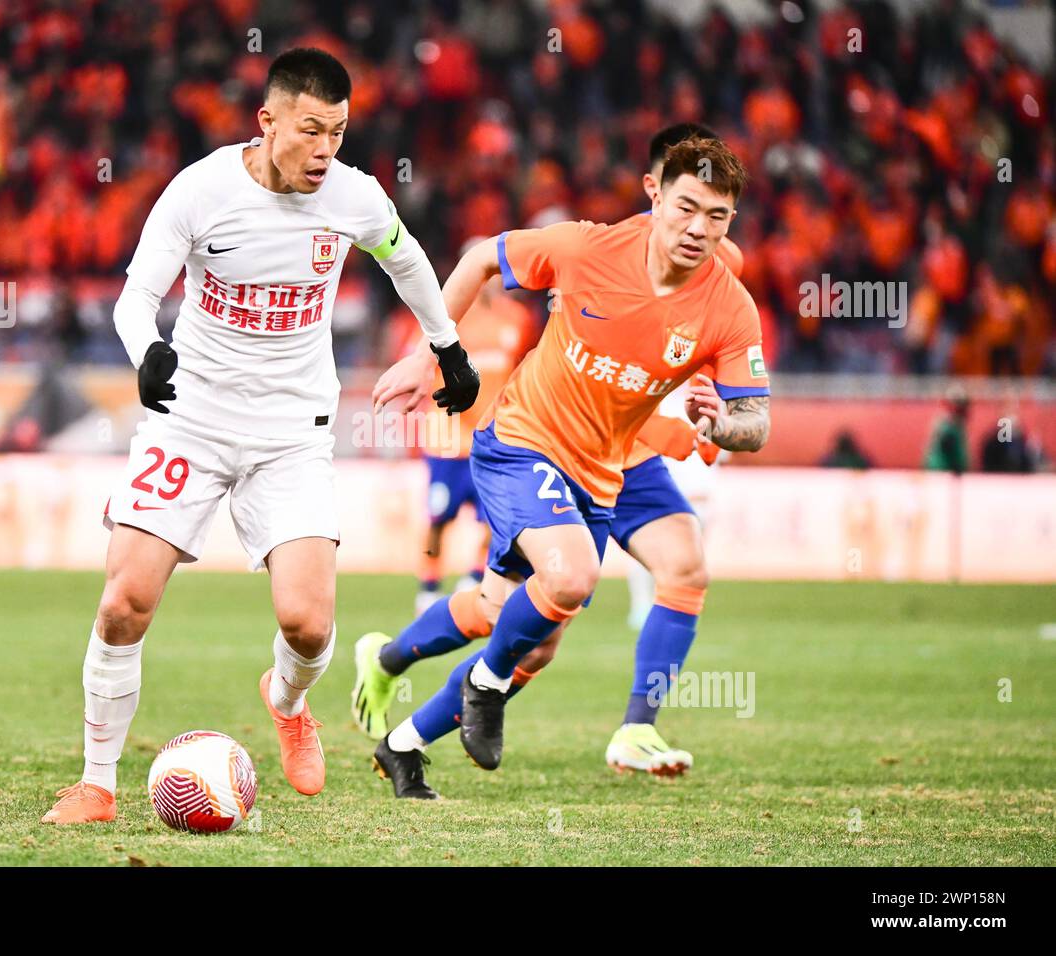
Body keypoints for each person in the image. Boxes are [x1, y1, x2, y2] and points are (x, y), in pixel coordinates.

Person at [41, 48, 479, 824]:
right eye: (311, 131)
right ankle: (97, 784)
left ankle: (285, 701)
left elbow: (404, 260)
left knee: (308, 625)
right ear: (267, 120)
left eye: (338, 134)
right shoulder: (200, 191)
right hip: (192, 420)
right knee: (124, 603)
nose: (325, 151)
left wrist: (444, 346)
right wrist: (147, 355)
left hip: (292, 432)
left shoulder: (354, 196)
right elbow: (135, 298)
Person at [366, 136, 771, 797]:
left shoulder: (728, 301)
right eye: (687, 208)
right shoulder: (586, 249)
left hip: (609, 470)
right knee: (572, 576)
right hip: (521, 444)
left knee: (529, 625)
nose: (699, 229)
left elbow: (756, 419)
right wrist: (432, 354)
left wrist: (722, 422)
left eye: (718, 217)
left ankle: (403, 737)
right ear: (653, 192)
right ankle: (485, 685)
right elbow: (480, 259)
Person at [409, 257, 539, 618]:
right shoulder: (442, 320)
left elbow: (524, 368)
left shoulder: (518, 319)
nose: (488, 281)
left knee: (490, 521)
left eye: (494, 274)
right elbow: (417, 364)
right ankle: (429, 586)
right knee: (438, 518)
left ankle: (472, 580)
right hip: (446, 439)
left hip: (491, 437)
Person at [924, 389, 970, 474]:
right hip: (943, 474)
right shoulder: (949, 428)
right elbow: (956, 460)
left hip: (940, 473)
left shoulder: (949, 425)